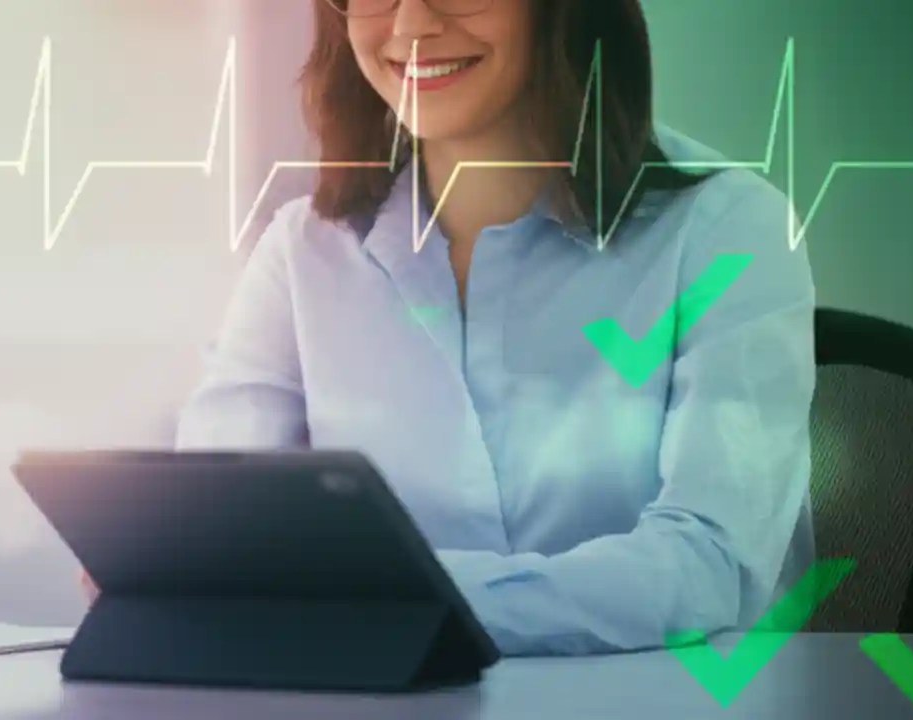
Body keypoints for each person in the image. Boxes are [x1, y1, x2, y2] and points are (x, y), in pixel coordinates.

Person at [88, 0, 818, 657]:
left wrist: (395, 599)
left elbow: (712, 564)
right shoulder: (303, 250)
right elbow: (218, 525)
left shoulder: (727, 229)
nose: (409, 25)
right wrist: (170, 569)